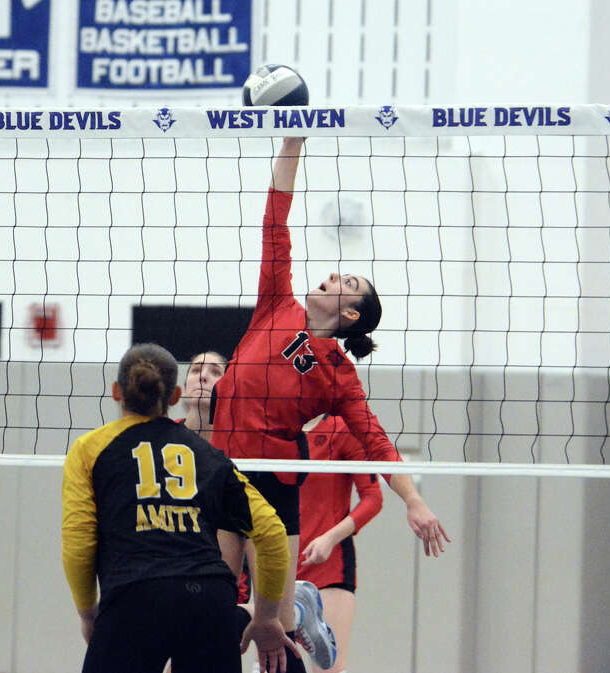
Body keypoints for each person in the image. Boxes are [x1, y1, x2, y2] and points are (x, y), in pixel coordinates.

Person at [209, 137, 450, 671]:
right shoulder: (278, 302)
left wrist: (413, 500)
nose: (336, 275)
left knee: (278, 629)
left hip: (274, 481)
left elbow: (377, 443)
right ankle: (290, 609)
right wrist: (293, 138)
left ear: (350, 315)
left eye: (349, 283)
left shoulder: (338, 374)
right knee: (219, 613)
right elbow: (276, 216)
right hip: (225, 470)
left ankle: (299, 610)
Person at [62, 343, 319, 673]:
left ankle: (261, 612)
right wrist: (266, 617)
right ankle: (255, 612)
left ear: (116, 392)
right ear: (174, 396)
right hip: (208, 601)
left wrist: (87, 612)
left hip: (133, 597)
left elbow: (78, 545)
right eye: (198, 370)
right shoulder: (209, 455)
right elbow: (271, 531)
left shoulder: (89, 450)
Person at [296, 414, 391, 673]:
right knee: (272, 664)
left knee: (329, 668)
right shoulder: (274, 426)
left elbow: (373, 499)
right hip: (280, 563)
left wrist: (330, 537)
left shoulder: (341, 427)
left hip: (328, 566)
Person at [179, 351, 227, 442]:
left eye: (216, 372)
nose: (203, 376)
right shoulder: (162, 434)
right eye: (196, 370)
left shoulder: (237, 444)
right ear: (185, 388)